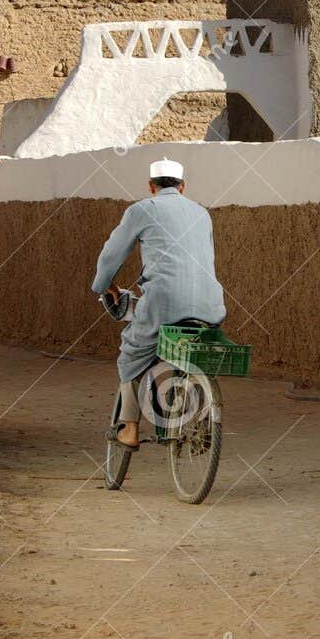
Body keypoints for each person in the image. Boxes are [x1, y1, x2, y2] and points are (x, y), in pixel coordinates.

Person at [92, 158, 226, 448]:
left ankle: (128, 429)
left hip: (163, 302)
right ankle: (203, 414)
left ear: (151, 187)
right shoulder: (202, 214)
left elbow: (110, 255)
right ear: (183, 186)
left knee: (131, 352)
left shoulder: (140, 210)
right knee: (196, 352)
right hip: (211, 303)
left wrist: (104, 286)